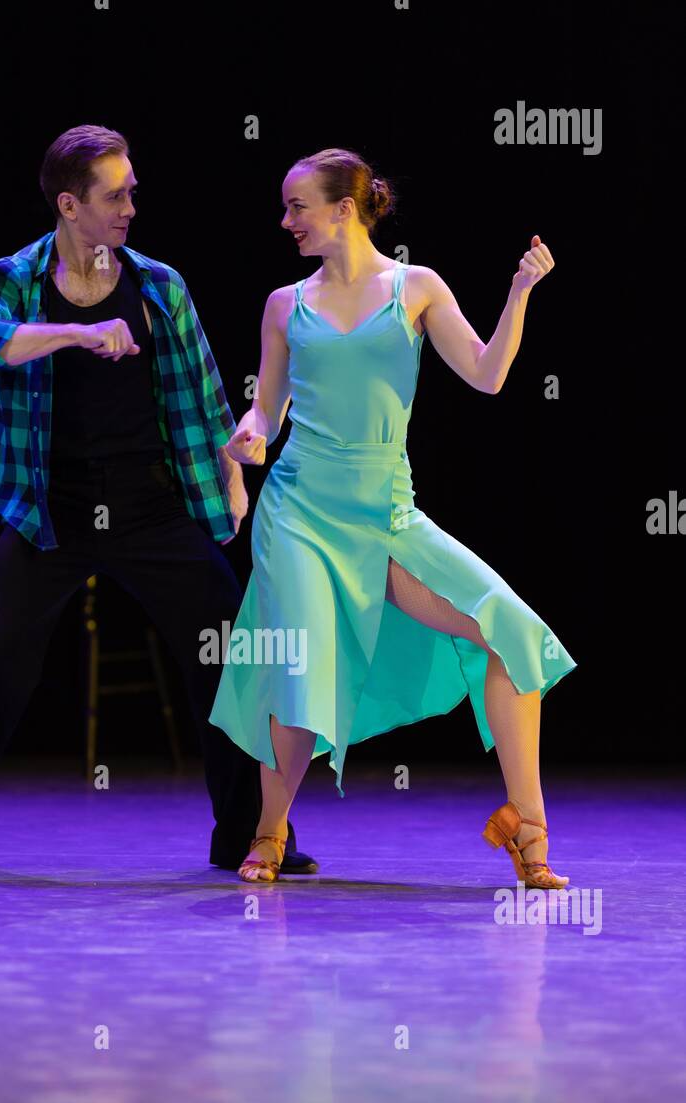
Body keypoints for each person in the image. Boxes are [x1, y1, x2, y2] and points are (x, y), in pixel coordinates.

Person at [0, 124, 317, 876]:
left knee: (233, 651)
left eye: (132, 189)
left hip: (150, 506)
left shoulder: (158, 285)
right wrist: (74, 333)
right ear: (70, 205)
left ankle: (249, 835)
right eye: (116, 194)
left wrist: (230, 482)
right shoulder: (18, 277)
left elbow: (203, 396)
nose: (131, 205)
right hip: (50, 512)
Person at [208, 147, 576, 885]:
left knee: (512, 633)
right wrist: (249, 434)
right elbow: (267, 406)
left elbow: (486, 374)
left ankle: (527, 832)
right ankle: (268, 833)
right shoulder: (287, 303)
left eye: (297, 207)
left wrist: (519, 294)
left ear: (343, 209)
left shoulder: (416, 287)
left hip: (387, 511)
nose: (286, 221)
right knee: (301, 667)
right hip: (301, 511)